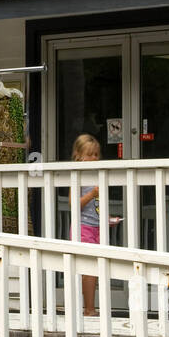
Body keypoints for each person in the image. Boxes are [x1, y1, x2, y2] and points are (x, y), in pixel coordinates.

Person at [71, 133, 103, 317]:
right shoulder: (78, 175)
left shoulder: (97, 175)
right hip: (83, 227)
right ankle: (89, 308)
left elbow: (97, 206)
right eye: (89, 154)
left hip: (97, 226)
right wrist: (91, 194)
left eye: (96, 155)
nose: (94, 158)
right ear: (78, 155)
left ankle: (90, 306)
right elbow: (73, 203)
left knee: (96, 268)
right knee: (88, 269)